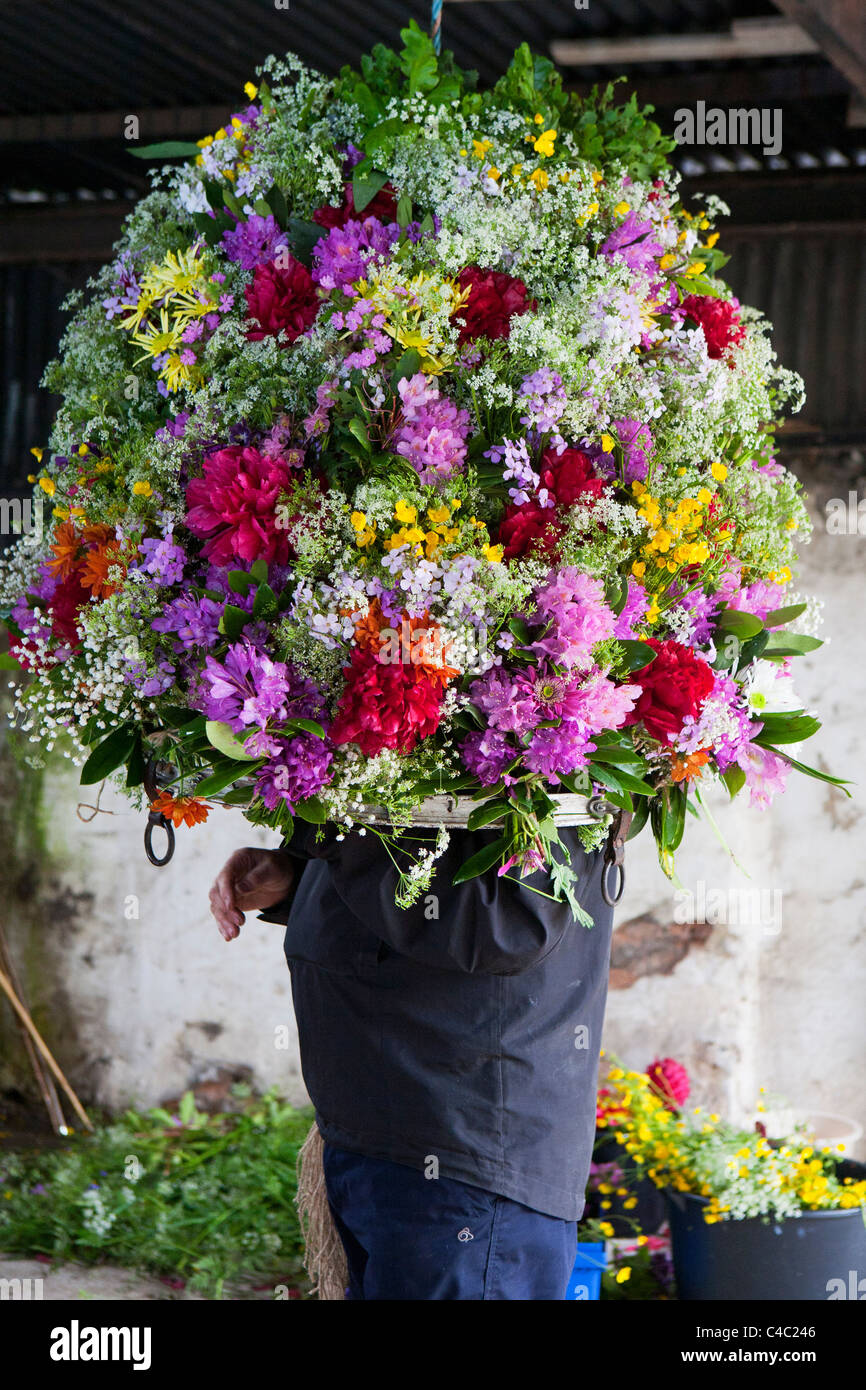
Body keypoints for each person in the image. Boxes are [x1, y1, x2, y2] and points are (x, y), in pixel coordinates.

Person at [209, 819, 618, 1301]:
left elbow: (508, 922)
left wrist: (339, 833)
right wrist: (301, 871)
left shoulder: (550, 749)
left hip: (464, 1155)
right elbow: (428, 865)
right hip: (382, 1133)